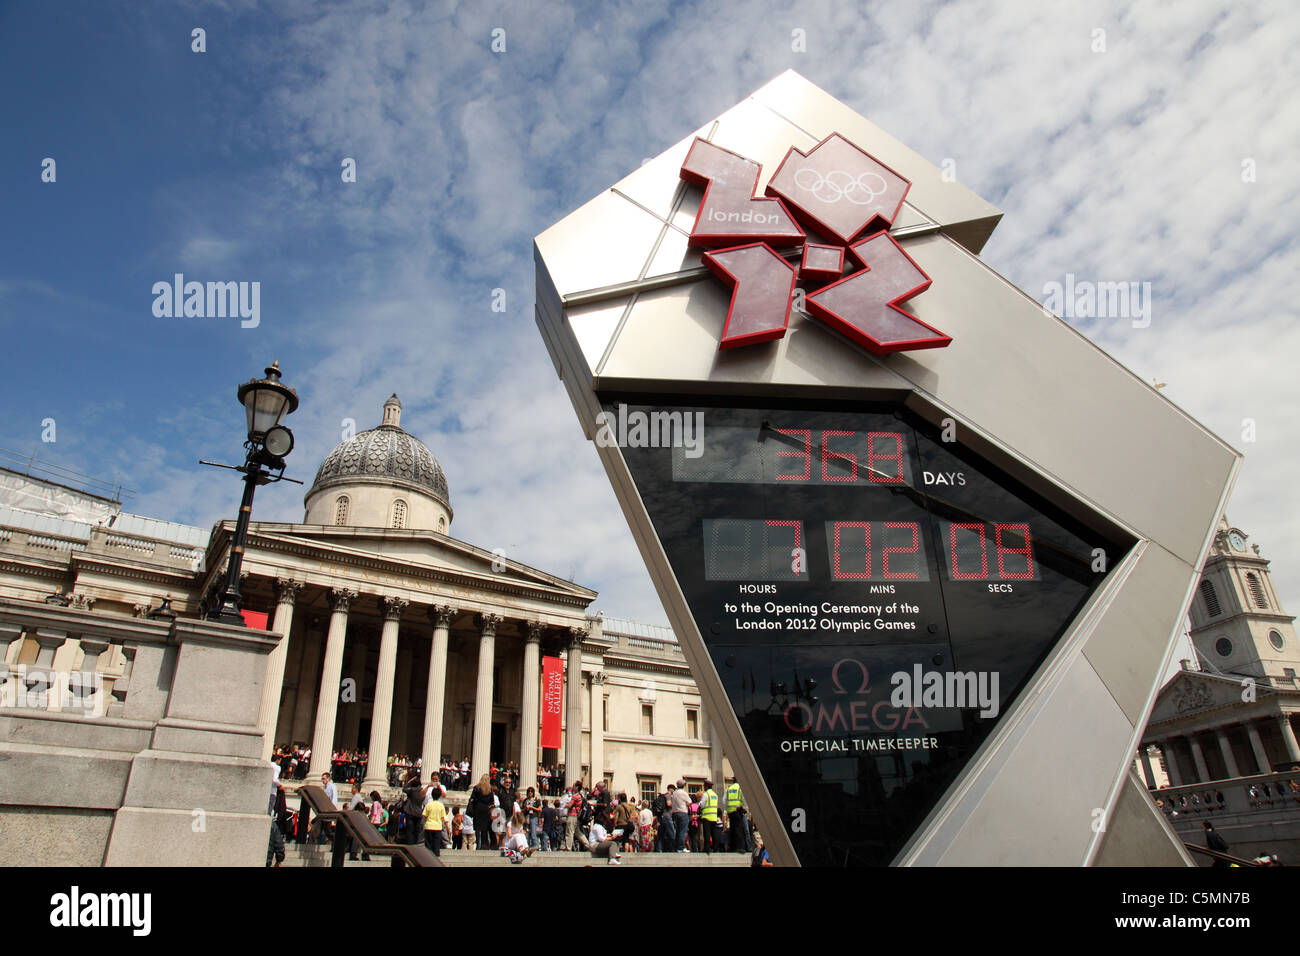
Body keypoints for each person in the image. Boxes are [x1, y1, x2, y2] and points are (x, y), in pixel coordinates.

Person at [468, 775, 495, 851]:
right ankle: (483, 844)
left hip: (478, 809)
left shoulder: (476, 788)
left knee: (477, 828)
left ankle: (478, 844)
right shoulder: (490, 790)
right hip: (486, 810)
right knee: (484, 829)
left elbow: (473, 799)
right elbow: (492, 801)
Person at [697, 780, 722, 853]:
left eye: (704, 786)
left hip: (707, 816)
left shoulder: (706, 794)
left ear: (706, 786)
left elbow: (702, 804)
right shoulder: (715, 795)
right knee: (714, 833)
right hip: (714, 817)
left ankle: (707, 848)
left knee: (707, 833)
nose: (704, 787)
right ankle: (716, 848)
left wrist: (698, 804)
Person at [726, 780, 749, 854]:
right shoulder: (740, 788)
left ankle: (733, 847)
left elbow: (724, 800)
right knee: (739, 829)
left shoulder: (729, 788)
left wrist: (727, 809)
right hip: (738, 811)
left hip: (730, 812)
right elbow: (744, 799)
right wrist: (745, 808)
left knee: (732, 829)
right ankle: (741, 847)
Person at [423, 785, 446, 857]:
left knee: (428, 846)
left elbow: (425, 816)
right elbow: (443, 817)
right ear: (439, 796)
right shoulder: (441, 805)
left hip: (428, 826)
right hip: (437, 827)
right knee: (436, 846)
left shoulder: (428, 805)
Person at [670, 779, 691, 853]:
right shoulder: (684, 793)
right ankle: (681, 847)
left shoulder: (674, 793)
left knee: (678, 831)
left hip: (675, 813)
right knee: (683, 830)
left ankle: (677, 847)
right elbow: (689, 802)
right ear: (684, 785)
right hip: (683, 812)